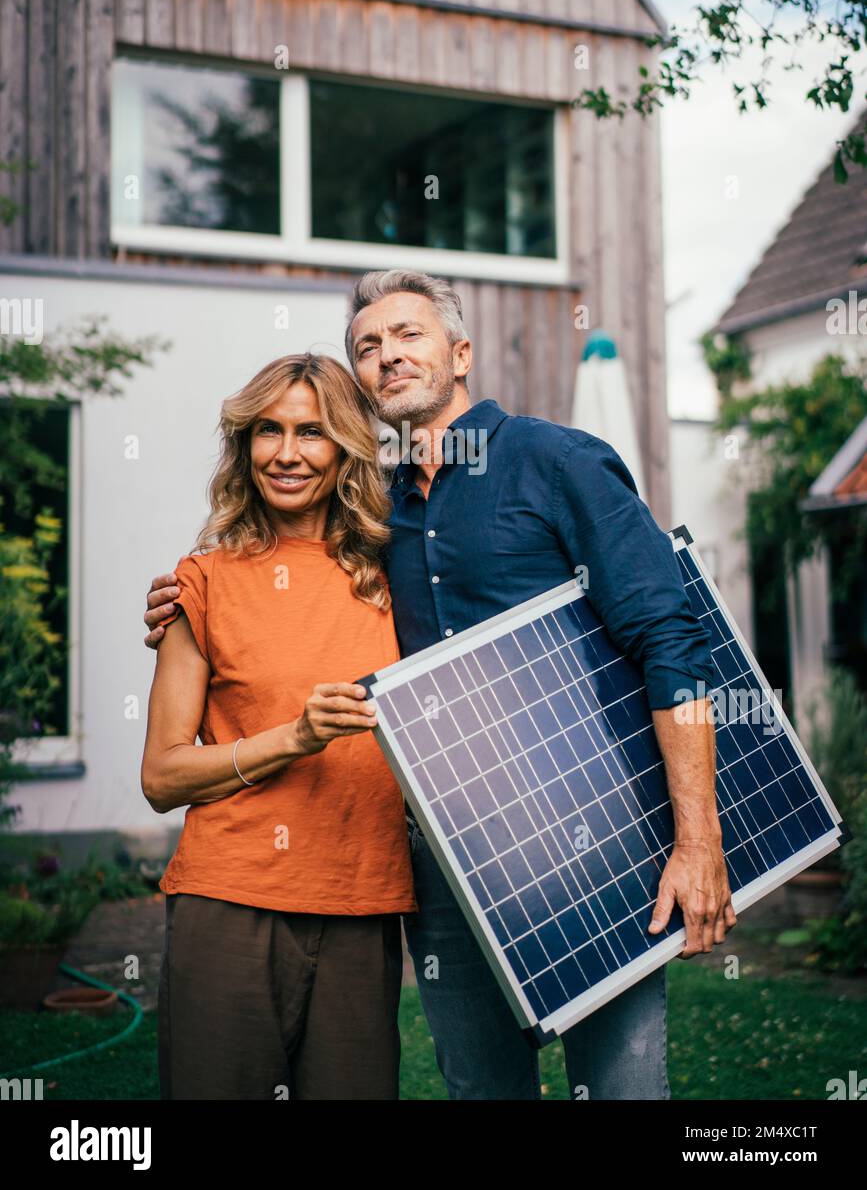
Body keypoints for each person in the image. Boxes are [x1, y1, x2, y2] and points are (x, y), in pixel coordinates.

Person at [144, 268, 736, 1101]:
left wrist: (697, 840)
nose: (387, 355)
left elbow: (667, 639)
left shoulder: (554, 460)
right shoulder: (377, 517)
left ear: (461, 352)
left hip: (591, 839)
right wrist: (183, 602)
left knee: (622, 1091)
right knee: (480, 1089)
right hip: (449, 859)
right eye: (367, 346)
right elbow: (279, 582)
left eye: (408, 335)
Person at [142, 352, 415, 1101]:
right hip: (231, 902)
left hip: (362, 903)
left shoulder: (400, 578)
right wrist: (295, 738)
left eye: (311, 433)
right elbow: (161, 778)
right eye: (268, 431)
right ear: (244, 443)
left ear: (346, 448)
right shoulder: (201, 582)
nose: (286, 454)